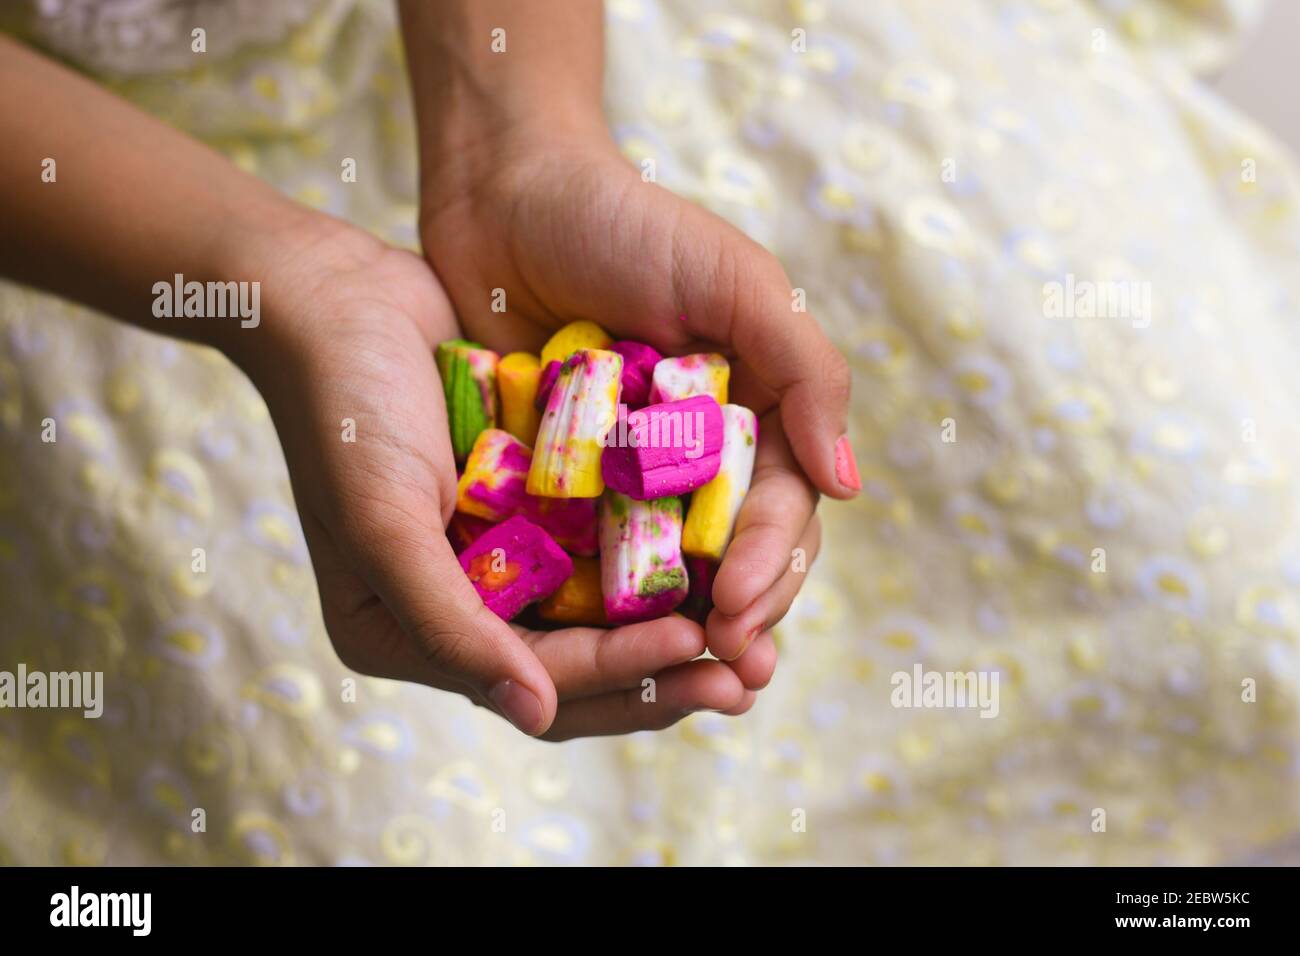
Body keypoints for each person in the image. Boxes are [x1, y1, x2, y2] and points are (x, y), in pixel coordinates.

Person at [1, 0, 1297, 865]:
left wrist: (519, 150)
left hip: (522, 57)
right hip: (121, 222)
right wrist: (286, 287)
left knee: (1244, 589)